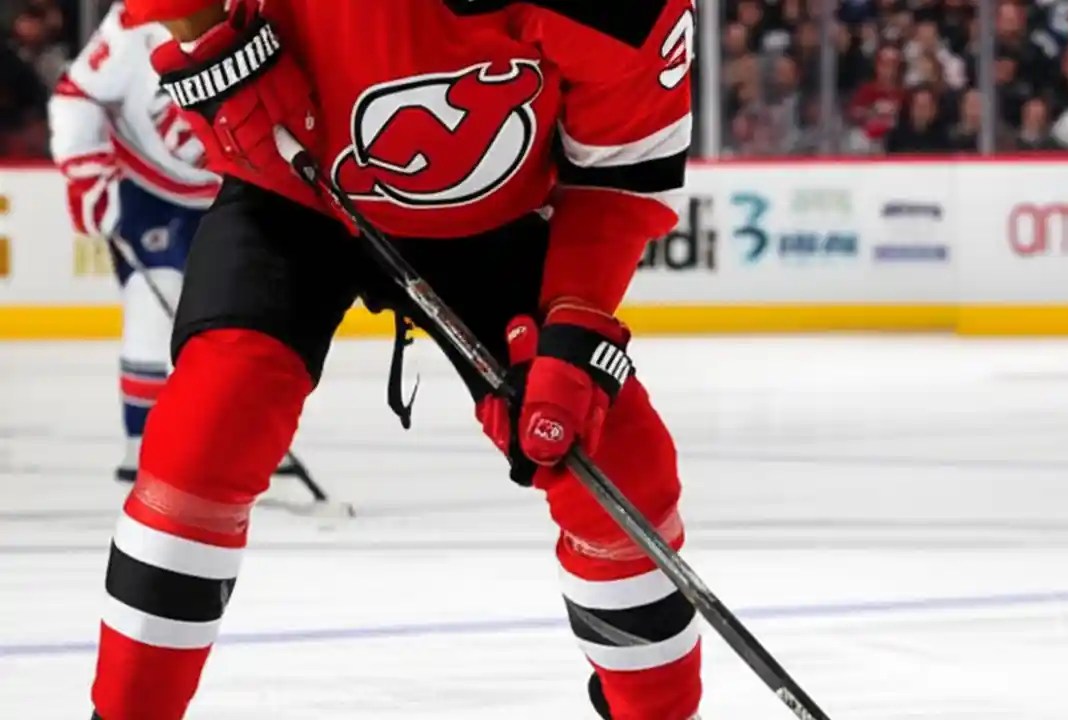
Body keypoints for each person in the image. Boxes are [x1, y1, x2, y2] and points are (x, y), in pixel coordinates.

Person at [88, 0, 701, 719]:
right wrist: (211, 40)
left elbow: (619, 179)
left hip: (498, 223)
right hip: (292, 185)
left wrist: (574, 325)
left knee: (617, 463)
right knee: (206, 432)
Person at [47, 2, 219, 483]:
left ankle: (243, 433)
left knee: (241, 313)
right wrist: (85, 168)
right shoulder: (136, 18)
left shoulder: (273, 12)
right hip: (149, 188)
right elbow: (77, 93)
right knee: (152, 299)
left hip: (235, 190)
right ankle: (142, 443)